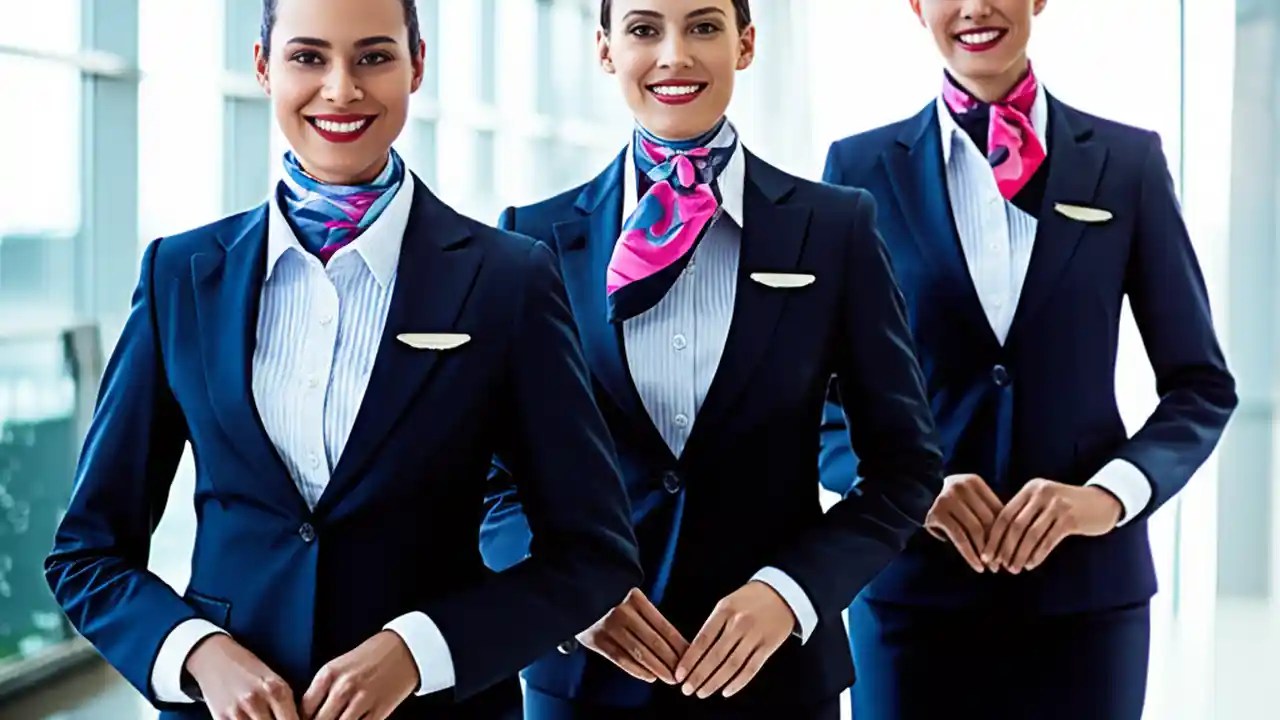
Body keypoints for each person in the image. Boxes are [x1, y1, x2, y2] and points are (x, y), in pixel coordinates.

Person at [44, 0, 641, 718]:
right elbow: (87, 554)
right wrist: (198, 653)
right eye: (308, 57)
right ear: (263, 67)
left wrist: (419, 651)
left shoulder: (508, 281)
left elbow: (592, 554)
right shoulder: (182, 275)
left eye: (373, 57)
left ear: (417, 64)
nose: (341, 89)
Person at [479, 1, 944, 718]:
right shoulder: (533, 239)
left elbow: (903, 469)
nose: (674, 55)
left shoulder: (833, 229)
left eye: (702, 27)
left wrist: (790, 594)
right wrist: (563, 598)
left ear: (745, 44)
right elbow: (493, 483)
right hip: (587, 682)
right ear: (605, 50)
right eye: (643, 30)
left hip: (780, 681)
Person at [820, 1, 1238, 718]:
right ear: (917, 6)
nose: (976, 7)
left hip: (1087, 603)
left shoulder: (1127, 164)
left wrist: (1106, 497)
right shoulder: (857, 169)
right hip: (911, 601)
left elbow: (1200, 387)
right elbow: (822, 407)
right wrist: (911, 489)